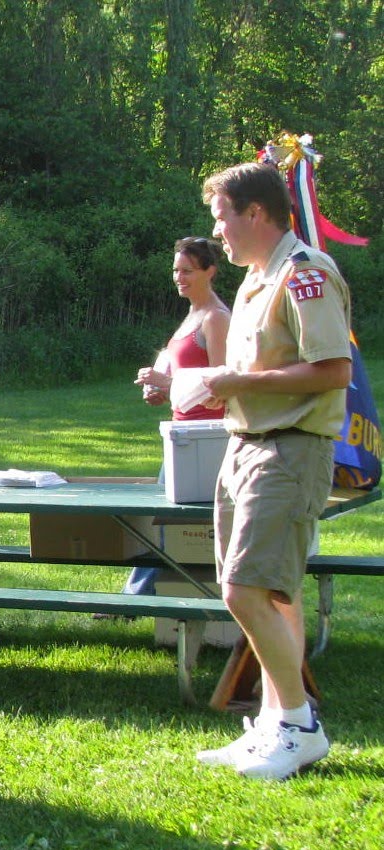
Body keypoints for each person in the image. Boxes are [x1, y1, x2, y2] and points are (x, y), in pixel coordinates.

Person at [196, 162, 351, 780]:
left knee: (247, 589)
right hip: (246, 446)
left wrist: (238, 381)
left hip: (288, 449)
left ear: (254, 213)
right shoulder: (259, 280)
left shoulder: (305, 273)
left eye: (222, 218)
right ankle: (271, 725)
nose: (218, 233)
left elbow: (333, 368)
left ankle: (300, 725)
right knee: (257, 591)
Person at [124, 237, 230, 596]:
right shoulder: (191, 315)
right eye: (175, 270)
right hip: (181, 434)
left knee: (170, 521)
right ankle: (142, 595)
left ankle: (139, 597)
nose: (178, 277)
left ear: (210, 272)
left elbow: (222, 387)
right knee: (162, 518)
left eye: (187, 270)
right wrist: (160, 391)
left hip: (206, 439)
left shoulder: (216, 319)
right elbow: (185, 378)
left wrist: (168, 382)